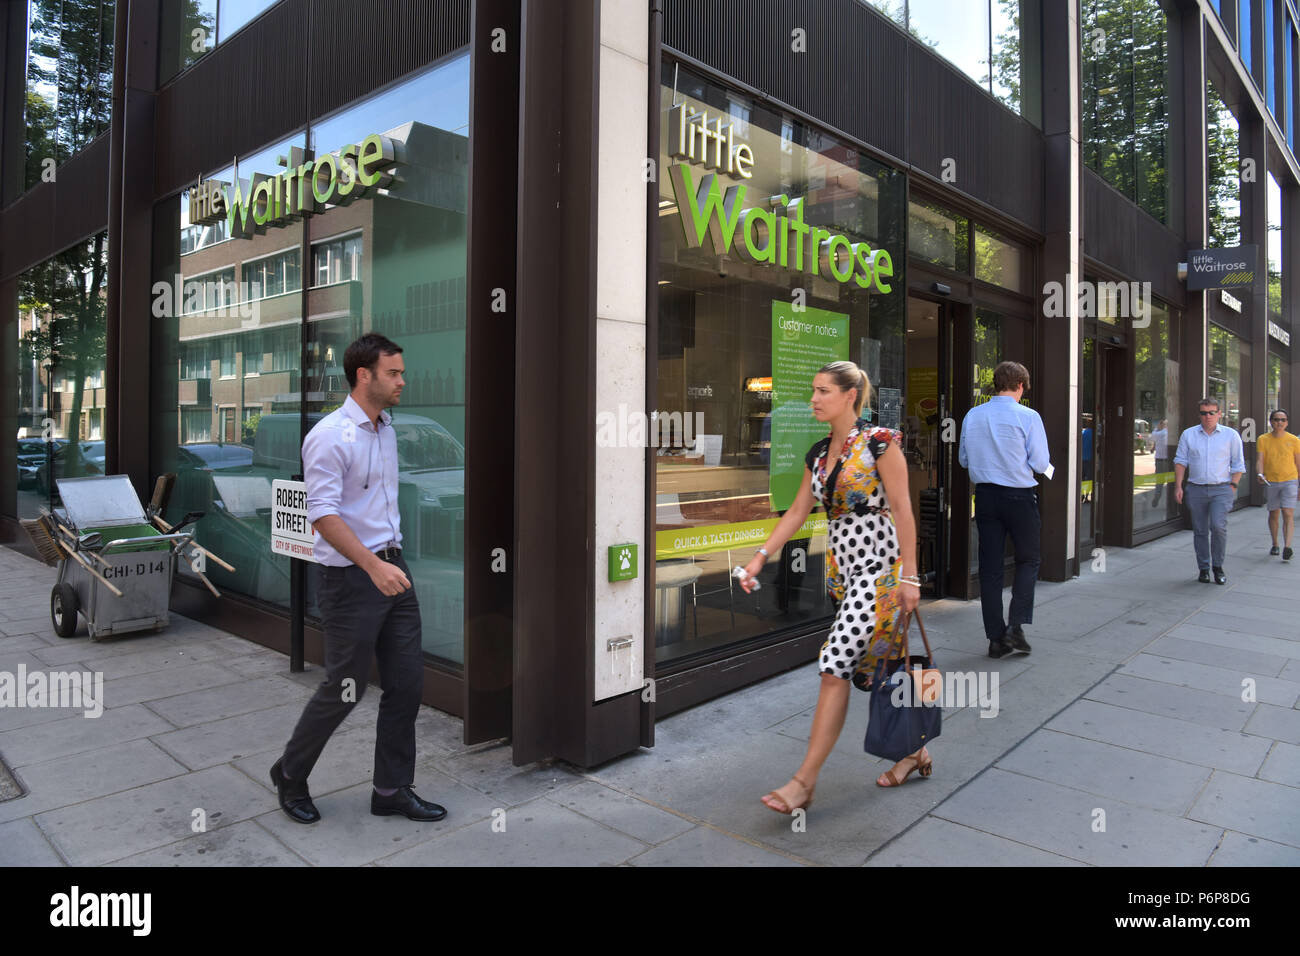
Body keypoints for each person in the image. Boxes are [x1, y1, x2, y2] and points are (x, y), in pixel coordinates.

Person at [270, 333, 446, 824]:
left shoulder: (385, 428)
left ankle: (391, 789)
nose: (402, 381)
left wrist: (392, 564)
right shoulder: (328, 436)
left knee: (407, 683)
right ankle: (290, 772)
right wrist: (373, 566)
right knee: (345, 686)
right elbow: (322, 515)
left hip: (395, 569)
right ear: (363, 375)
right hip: (351, 578)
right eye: (393, 373)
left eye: (401, 372)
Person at [737, 360, 925, 812]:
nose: (814, 399)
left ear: (850, 396)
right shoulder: (819, 454)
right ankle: (915, 751)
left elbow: (903, 509)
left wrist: (911, 575)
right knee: (881, 667)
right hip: (845, 574)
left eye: (823, 391)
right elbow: (799, 511)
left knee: (835, 663)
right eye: (814, 391)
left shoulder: (881, 443)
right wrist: (759, 558)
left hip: (880, 571)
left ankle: (804, 782)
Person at [957, 361, 1051, 659]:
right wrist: (1049, 470)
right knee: (1029, 559)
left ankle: (996, 638)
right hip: (1020, 497)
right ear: (1021, 385)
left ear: (995, 384)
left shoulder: (973, 415)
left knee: (990, 568)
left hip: (985, 497)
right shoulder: (1029, 416)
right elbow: (1039, 463)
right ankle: (1016, 625)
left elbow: (963, 460)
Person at [1173, 398, 1245, 584]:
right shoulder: (1189, 435)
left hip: (1221, 489)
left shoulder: (1231, 435)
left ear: (1219, 414)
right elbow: (1181, 461)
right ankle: (1204, 568)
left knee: (1218, 527)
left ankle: (1218, 567)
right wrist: (1178, 486)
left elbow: (1238, 464)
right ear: (1199, 415)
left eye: (1212, 412)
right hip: (1195, 489)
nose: (1208, 416)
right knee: (1200, 530)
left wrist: (1233, 485)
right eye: (1204, 413)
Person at [1256, 408, 1300, 561]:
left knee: (1288, 513)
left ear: (1287, 423)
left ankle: (1287, 547)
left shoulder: (1294, 440)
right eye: (1276, 419)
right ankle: (1275, 543)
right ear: (1271, 422)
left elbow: (1298, 463)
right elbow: (1260, 460)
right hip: (1272, 481)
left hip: (1290, 480)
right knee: (1273, 513)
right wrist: (1260, 473)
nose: (1279, 422)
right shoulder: (1263, 439)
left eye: (1282, 420)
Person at [1150, 419, 1170, 508]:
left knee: (1159, 481)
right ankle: (1171, 502)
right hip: (1167, 460)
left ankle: (1157, 497)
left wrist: (1156, 428)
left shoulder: (1160, 433)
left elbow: (1152, 437)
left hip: (1160, 460)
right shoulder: (1167, 433)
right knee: (1170, 481)